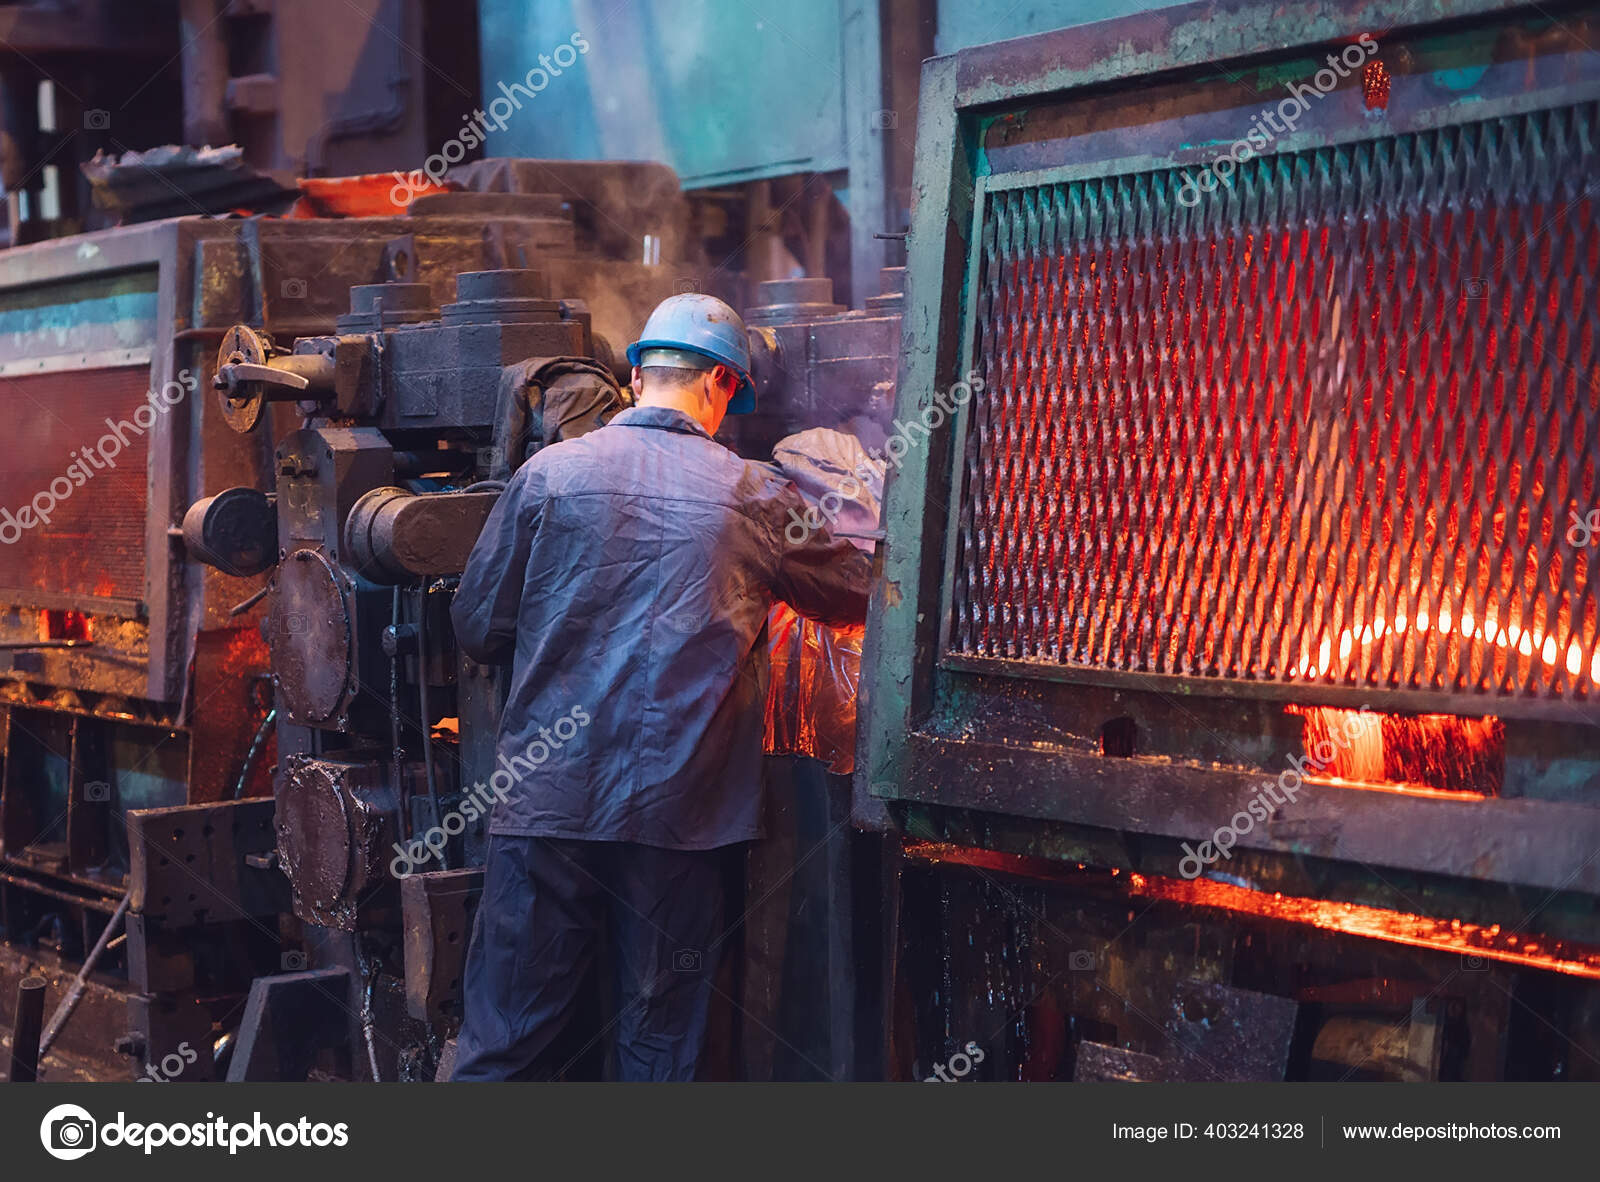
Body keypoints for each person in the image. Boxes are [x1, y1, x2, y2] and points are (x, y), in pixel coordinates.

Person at [449, 293, 874, 1081]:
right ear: (719, 381)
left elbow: (476, 625)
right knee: (657, 1052)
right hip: (680, 822)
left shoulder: (548, 476)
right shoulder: (750, 493)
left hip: (546, 810)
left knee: (505, 1045)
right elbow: (855, 594)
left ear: (639, 374)